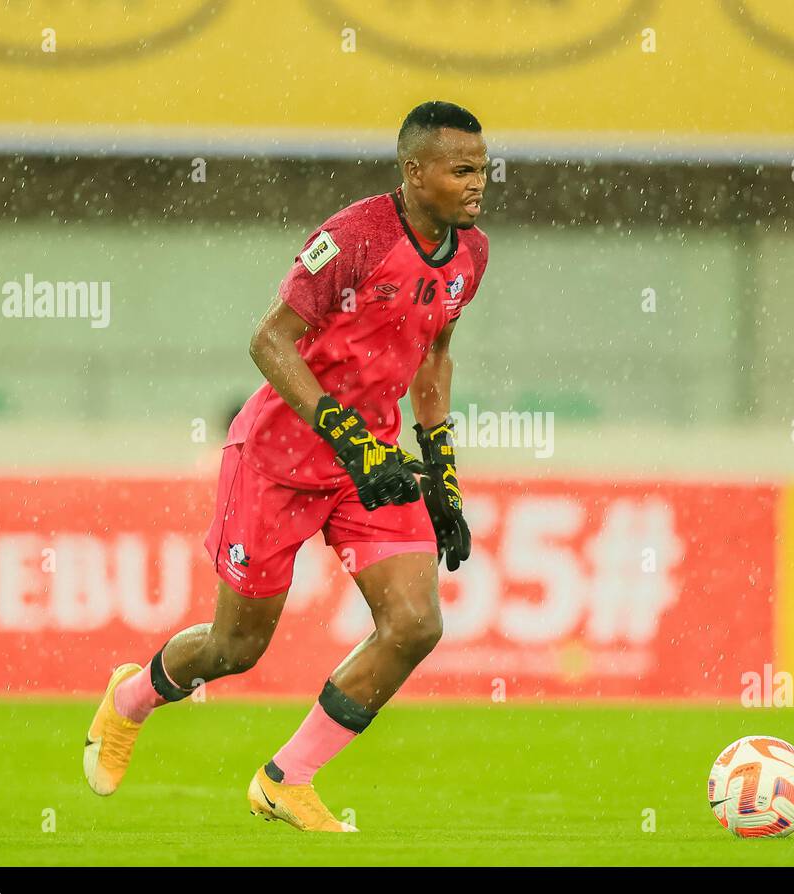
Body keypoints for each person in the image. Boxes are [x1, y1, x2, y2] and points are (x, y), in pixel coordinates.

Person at [83, 101, 490, 832]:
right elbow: (268, 341)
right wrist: (345, 431)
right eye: (461, 169)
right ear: (414, 171)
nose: (477, 183)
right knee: (235, 648)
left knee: (415, 624)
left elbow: (433, 353)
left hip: (370, 467)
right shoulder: (354, 237)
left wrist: (444, 472)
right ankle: (132, 698)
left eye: (483, 169)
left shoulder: (471, 254)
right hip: (278, 460)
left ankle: (286, 778)